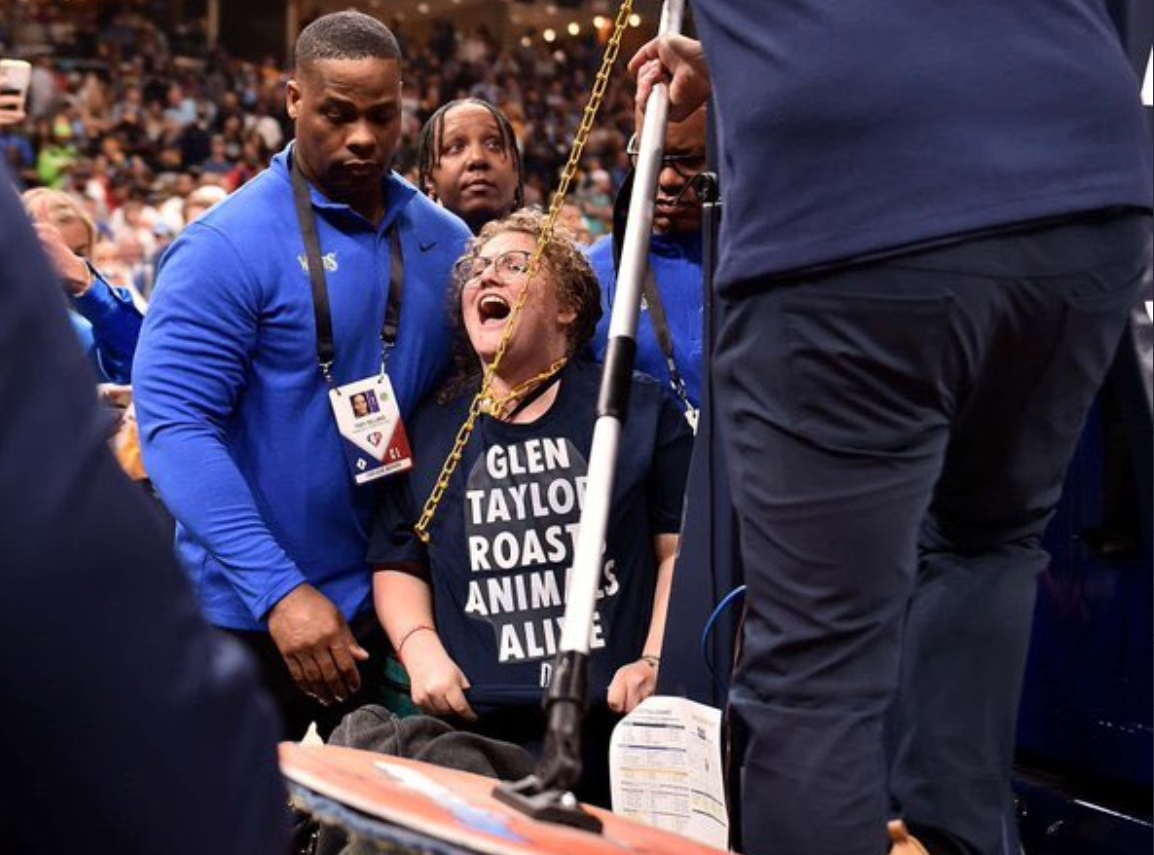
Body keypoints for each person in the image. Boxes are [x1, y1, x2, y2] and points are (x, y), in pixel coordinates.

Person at [630, 5, 1152, 854]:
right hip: (1081, 178)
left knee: (816, 660)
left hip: (849, 201)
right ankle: (956, 840)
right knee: (986, 545)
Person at [0, 35, 286, 855]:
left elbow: (150, 370)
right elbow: (95, 709)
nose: (35, 232)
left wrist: (84, 283)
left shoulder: (90, 303)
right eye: (28, 222)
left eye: (57, 227)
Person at [134, 11, 471, 739]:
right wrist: (279, 590)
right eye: (336, 114)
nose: (361, 137)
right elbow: (175, 429)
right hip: (249, 620)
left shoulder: (446, 244)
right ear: (293, 99)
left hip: (395, 612)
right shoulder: (223, 246)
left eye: (382, 116)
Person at [368, 210, 692, 805]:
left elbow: (679, 551)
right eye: (475, 269)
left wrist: (654, 658)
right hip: (479, 740)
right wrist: (422, 651)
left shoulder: (633, 408)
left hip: (617, 732)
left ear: (568, 306)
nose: (486, 278)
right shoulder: (432, 424)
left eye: (515, 265)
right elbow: (397, 560)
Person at [590, 102, 710, 427]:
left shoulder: (763, 260)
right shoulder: (590, 277)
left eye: (689, 160)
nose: (668, 178)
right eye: (652, 158)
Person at [22, 187, 144, 385]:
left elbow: (140, 363)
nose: (66, 264)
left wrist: (87, 285)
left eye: (80, 253)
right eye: (52, 252)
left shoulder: (100, 307)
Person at [417, 98, 524, 234]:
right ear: (430, 179)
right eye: (456, 147)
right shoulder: (402, 252)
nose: (477, 158)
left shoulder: (548, 252)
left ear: (516, 171)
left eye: (493, 145)